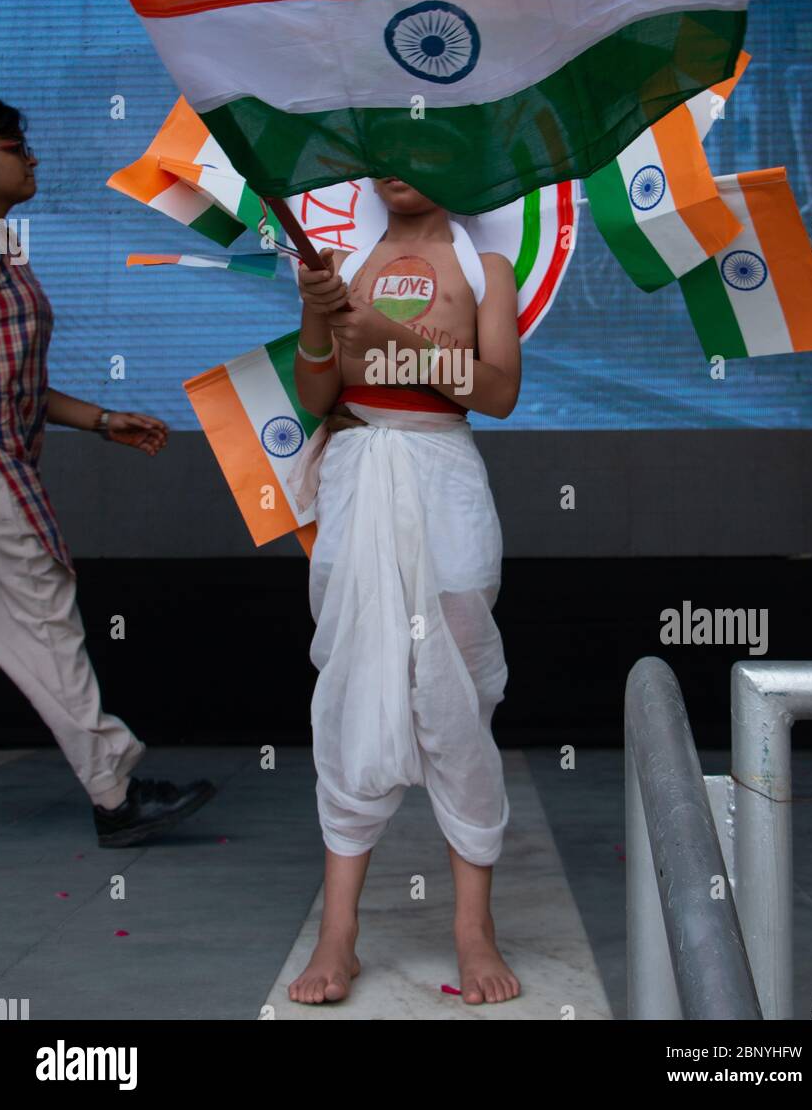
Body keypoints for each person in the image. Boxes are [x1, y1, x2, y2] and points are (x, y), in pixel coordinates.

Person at [289, 175, 522, 1006]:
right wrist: (322, 311)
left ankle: (473, 928)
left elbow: (498, 393)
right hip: (357, 473)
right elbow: (316, 395)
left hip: (445, 475)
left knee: (459, 685)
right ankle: (338, 934)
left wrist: (389, 332)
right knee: (353, 682)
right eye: (380, 152)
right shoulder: (335, 260)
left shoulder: (485, 266)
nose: (399, 168)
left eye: (419, 149)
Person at [0, 98, 216, 847]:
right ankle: (115, 793)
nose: (32, 160)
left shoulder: (3, 248)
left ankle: (113, 788)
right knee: (44, 618)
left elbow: (11, 382)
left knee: (33, 625)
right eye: (13, 146)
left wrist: (102, 420)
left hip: (5, 458)